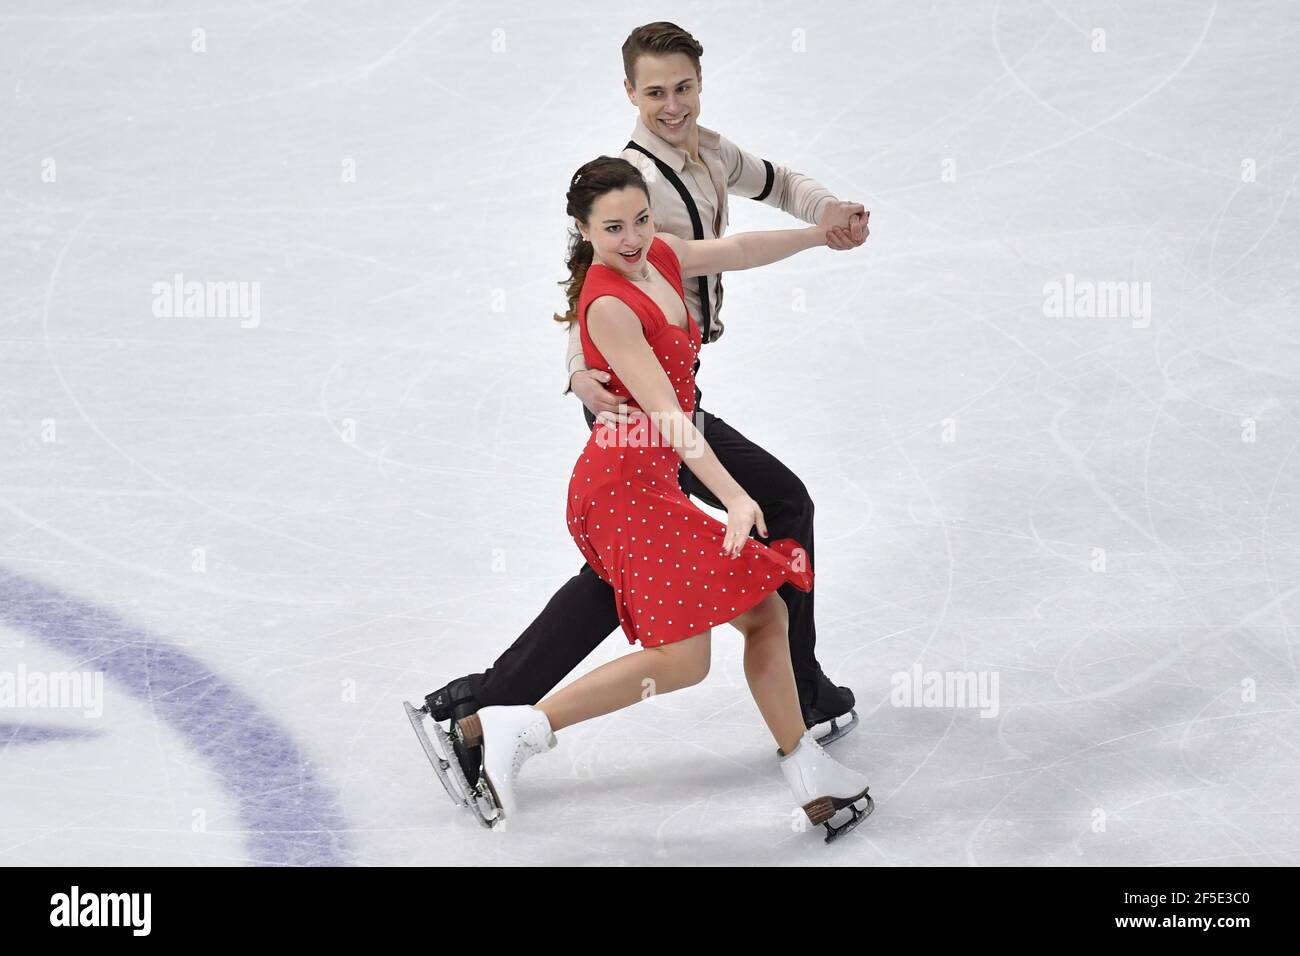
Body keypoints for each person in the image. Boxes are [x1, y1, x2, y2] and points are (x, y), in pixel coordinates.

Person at [410, 20, 870, 804]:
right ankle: (802, 698)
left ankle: (476, 708)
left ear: (699, 83)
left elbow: (738, 236)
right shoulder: (628, 190)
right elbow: (602, 312)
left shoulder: (699, 171)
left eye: (682, 87)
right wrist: (581, 369)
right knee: (761, 531)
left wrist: (821, 228)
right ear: (630, 93)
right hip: (638, 428)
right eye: (654, 91)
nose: (671, 103)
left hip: (664, 412)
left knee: (614, 584)